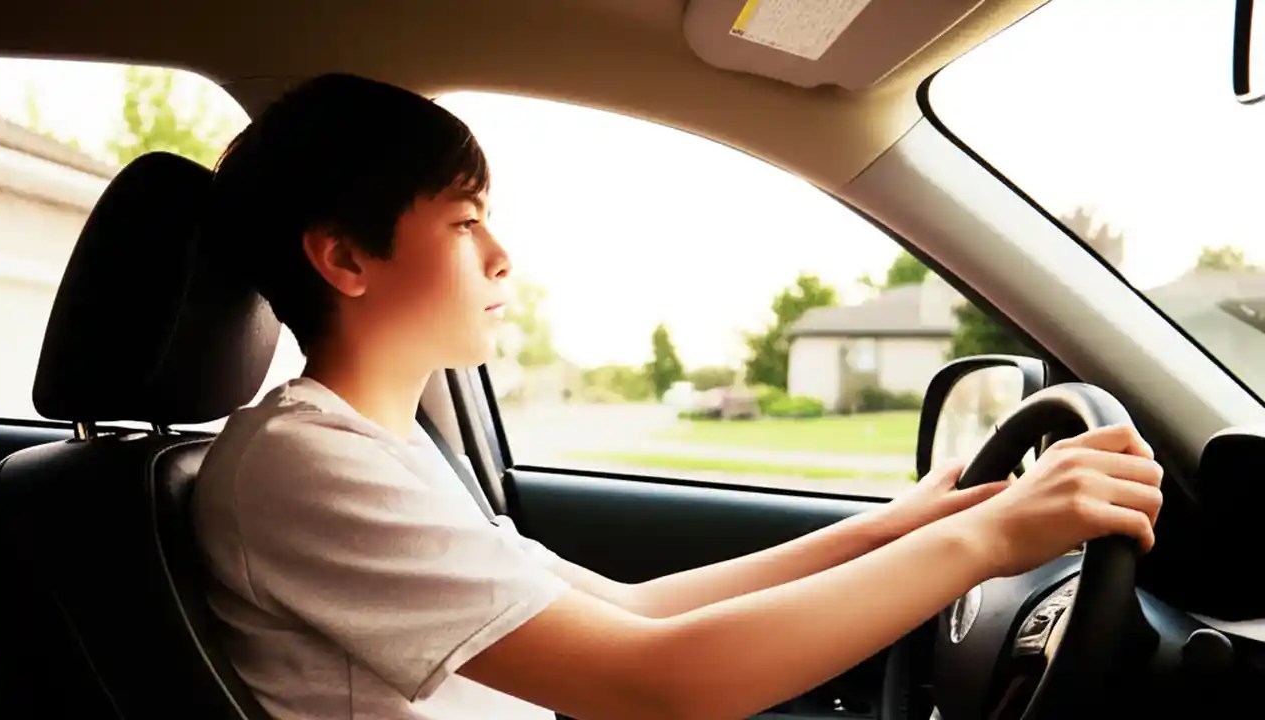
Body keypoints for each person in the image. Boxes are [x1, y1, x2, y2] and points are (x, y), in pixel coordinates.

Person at [192, 73, 1163, 720]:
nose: (500, 255)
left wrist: (887, 532)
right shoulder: (303, 467)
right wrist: (983, 543)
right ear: (344, 257)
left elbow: (628, 611)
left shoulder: (381, 451)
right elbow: (649, 679)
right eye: (463, 222)